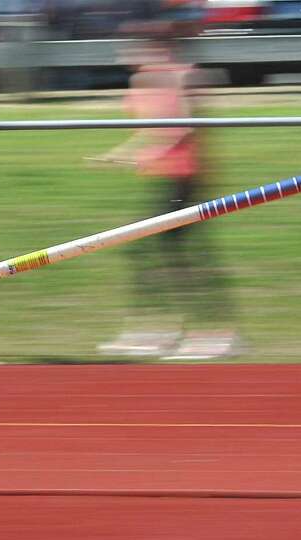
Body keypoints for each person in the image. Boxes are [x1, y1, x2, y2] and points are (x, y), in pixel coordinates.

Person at [92, 17, 240, 361]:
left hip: (184, 179)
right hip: (166, 178)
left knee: (169, 254)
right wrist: (122, 154)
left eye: (130, 47)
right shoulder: (144, 80)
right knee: (157, 252)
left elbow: (180, 128)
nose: (123, 53)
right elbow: (152, 131)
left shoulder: (179, 76)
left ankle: (208, 333)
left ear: (155, 48)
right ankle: (160, 330)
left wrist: (137, 155)